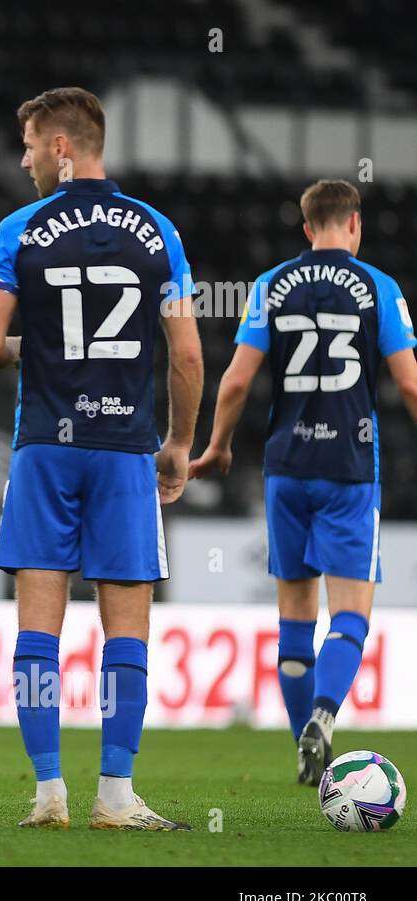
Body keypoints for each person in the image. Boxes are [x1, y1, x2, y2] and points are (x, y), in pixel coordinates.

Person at [0, 87, 202, 830]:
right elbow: (189, 354)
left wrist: (35, 350)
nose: (25, 158)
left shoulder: (18, 230)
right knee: (125, 632)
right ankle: (117, 796)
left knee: (39, 629)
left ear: (62, 146)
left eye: (32, 144)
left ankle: (48, 795)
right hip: (126, 451)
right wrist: (180, 444)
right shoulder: (157, 230)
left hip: (45, 448)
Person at [190, 179, 417, 784]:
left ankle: (303, 749)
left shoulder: (271, 285)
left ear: (307, 228)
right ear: (356, 224)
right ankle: (325, 714)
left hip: (286, 469)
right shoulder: (379, 288)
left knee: (294, 618)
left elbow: (235, 382)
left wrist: (217, 446)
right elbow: (413, 384)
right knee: (349, 617)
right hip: (348, 470)